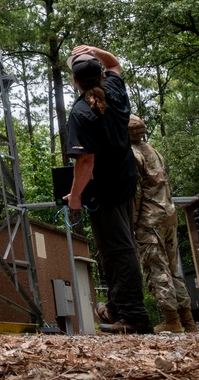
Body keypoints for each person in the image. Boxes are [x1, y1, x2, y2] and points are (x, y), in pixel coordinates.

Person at [63, 45, 151, 334]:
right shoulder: (112, 91)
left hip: (106, 191)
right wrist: (93, 50)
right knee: (111, 250)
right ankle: (116, 308)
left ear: (74, 81)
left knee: (119, 250)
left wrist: (75, 197)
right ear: (99, 75)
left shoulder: (80, 113)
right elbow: (115, 63)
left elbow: (86, 162)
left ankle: (133, 316)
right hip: (125, 183)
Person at [129, 115, 196, 333]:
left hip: (150, 220)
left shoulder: (132, 154)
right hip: (169, 216)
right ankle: (188, 321)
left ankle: (171, 320)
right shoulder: (153, 151)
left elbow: (136, 192)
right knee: (173, 268)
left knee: (157, 268)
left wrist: (131, 221)